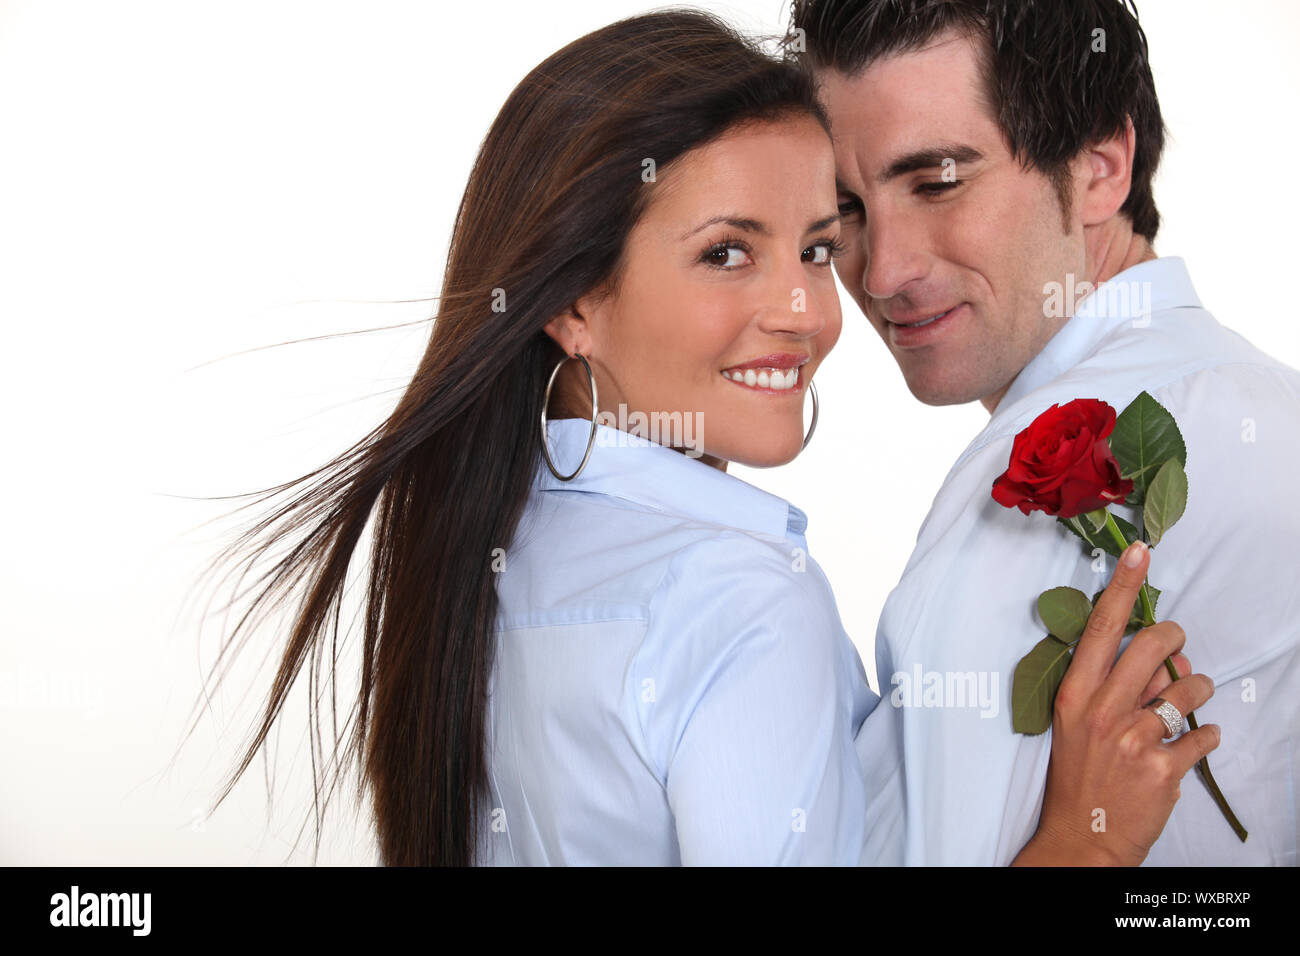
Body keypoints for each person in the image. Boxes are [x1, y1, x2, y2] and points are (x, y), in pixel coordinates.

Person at [198, 8, 1218, 867]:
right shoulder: (736, 600)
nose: (811, 308)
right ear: (574, 301)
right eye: (727, 251)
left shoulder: (495, 553)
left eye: (819, 245)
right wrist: (1082, 845)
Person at [789, 0, 1300, 865]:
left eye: (939, 181)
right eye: (845, 207)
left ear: (1102, 165)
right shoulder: (1271, 403)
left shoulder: (1035, 479)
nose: (880, 269)